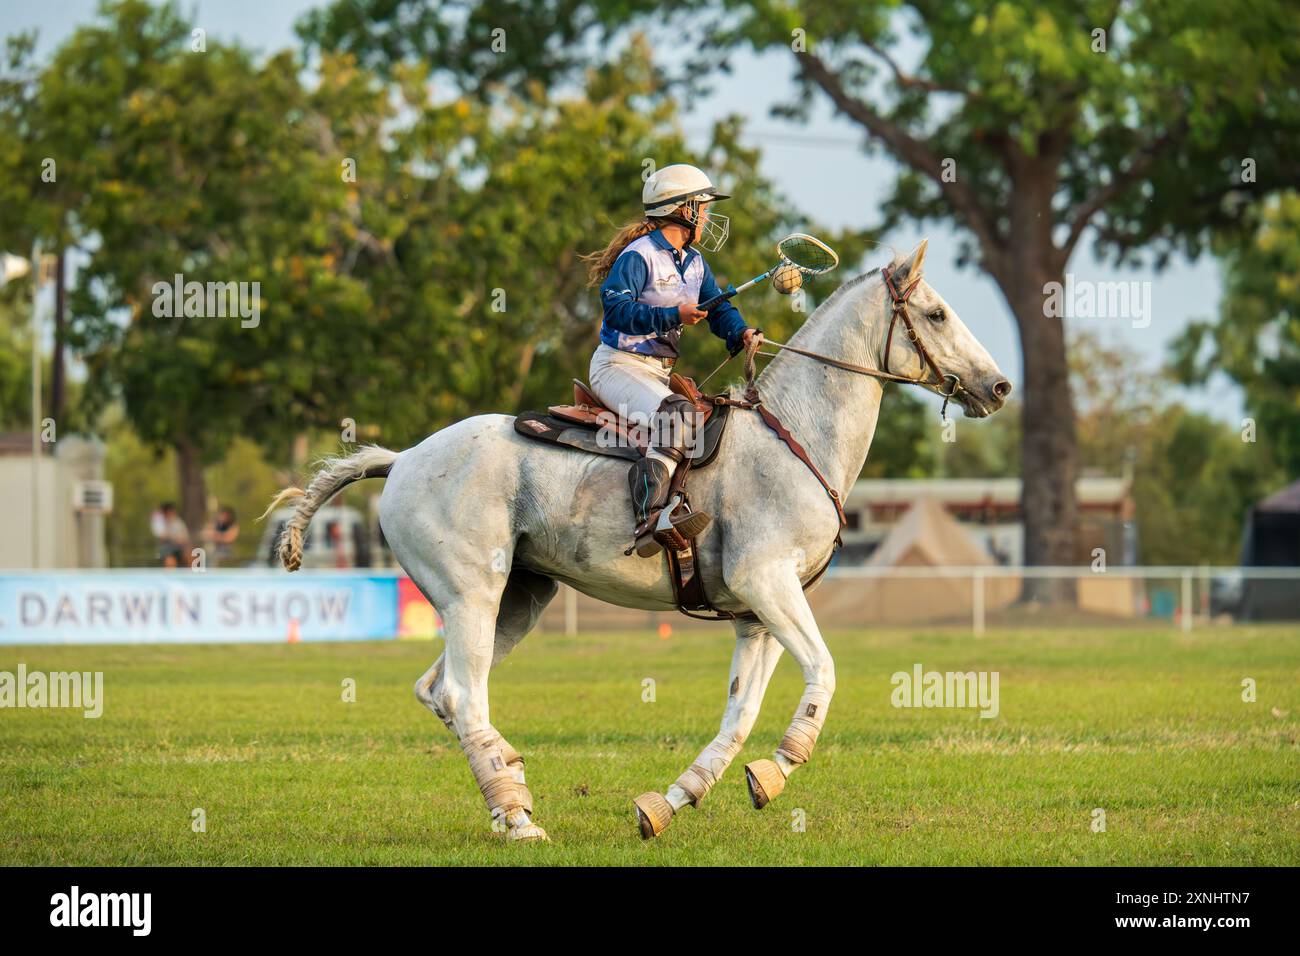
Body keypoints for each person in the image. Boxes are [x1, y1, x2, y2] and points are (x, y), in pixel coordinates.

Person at [581, 163, 764, 557]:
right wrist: (672, 316)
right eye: (705, 207)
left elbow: (717, 309)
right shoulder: (639, 255)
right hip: (618, 365)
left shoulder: (695, 262)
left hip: (655, 372)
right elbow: (616, 311)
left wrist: (741, 332)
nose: (709, 216)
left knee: (705, 417)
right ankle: (649, 519)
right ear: (685, 210)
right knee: (677, 415)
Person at [150, 502, 189, 568]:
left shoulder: (178, 522)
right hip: (166, 548)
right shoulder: (159, 522)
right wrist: (175, 538)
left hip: (180, 548)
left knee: (191, 555)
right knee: (170, 561)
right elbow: (162, 536)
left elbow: (185, 537)